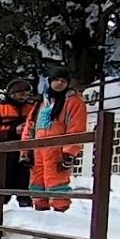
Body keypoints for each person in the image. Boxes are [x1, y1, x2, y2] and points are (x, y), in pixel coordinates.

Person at [22, 67, 87, 213]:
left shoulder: (73, 101)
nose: (59, 83)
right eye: (56, 80)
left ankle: (60, 214)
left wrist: (70, 152)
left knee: (57, 181)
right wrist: (25, 151)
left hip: (58, 148)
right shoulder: (40, 103)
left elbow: (77, 128)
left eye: (63, 81)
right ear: (50, 81)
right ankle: (40, 211)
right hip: (38, 148)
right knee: (37, 181)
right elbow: (30, 127)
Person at [0, 78, 37, 207]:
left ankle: (26, 204)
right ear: (12, 93)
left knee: (25, 179)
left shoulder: (31, 107)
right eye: (21, 94)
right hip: (5, 150)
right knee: (3, 179)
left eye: (27, 94)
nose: (24, 97)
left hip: (26, 149)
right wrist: (13, 130)